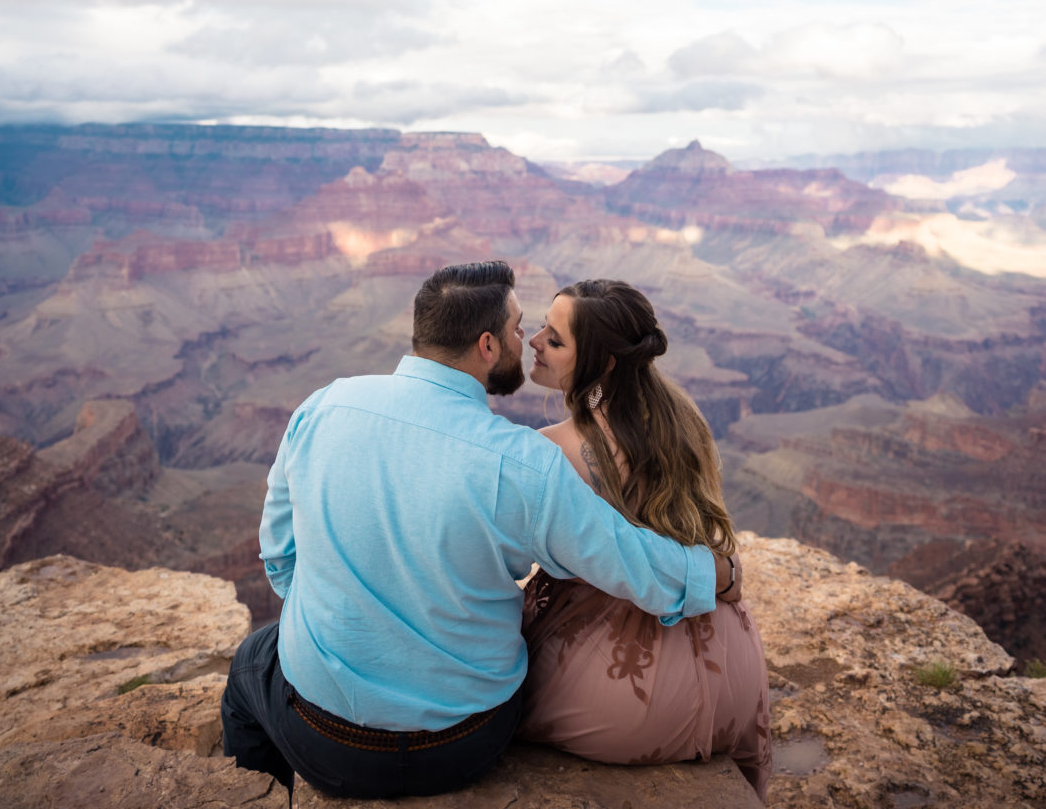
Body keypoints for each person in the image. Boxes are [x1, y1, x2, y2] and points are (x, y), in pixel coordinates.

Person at [221, 260, 738, 801]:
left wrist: (339, 619)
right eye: (518, 328)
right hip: (463, 744)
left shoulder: (322, 406)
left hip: (323, 740)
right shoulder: (522, 464)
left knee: (249, 667)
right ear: (487, 346)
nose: (528, 341)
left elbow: (279, 554)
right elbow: (629, 561)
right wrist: (717, 572)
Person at [519, 279, 772, 801]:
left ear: (604, 362)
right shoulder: (682, 419)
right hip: (731, 670)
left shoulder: (544, 452)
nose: (534, 340)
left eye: (555, 339)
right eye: (542, 326)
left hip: (616, 695)